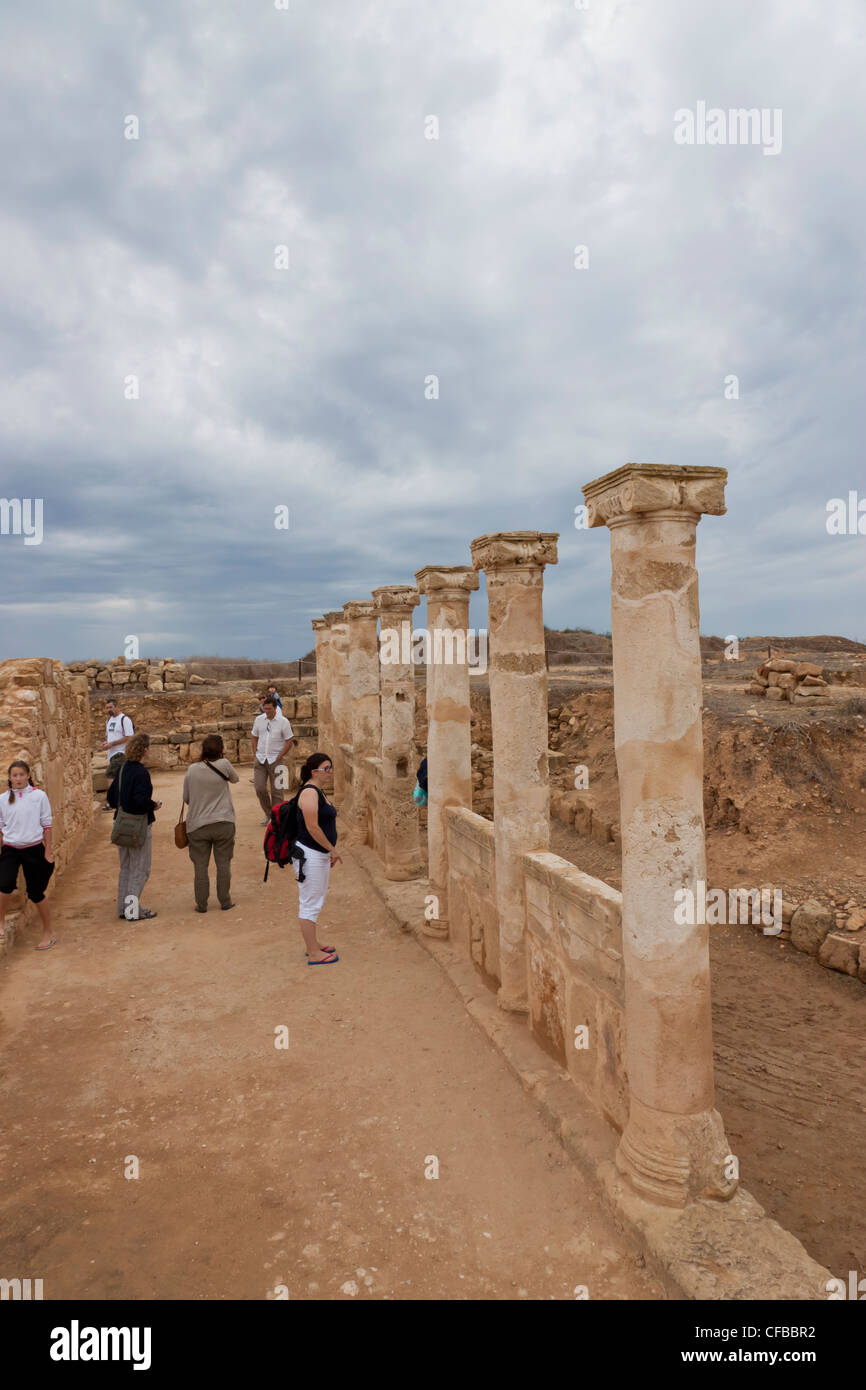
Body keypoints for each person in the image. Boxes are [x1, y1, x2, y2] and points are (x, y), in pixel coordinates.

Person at [0, 761, 56, 950]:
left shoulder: (39, 796)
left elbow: (47, 826)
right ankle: (0, 923)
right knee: (4, 884)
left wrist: (48, 851)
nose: (18, 779)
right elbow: (1, 829)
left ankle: (48, 931)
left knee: (36, 892)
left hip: (34, 849)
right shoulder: (3, 799)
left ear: (28, 775)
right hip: (10, 850)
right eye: (14, 775)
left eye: (21, 775)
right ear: (10, 778)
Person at [181, 734, 239, 913]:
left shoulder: (192, 770)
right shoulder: (225, 765)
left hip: (198, 825)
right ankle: (225, 901)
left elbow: (186, 798)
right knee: (223, 864)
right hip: (223, 821)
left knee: (200, 866)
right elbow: (235, 779)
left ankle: (202, 904)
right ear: (221, 750)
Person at [107, 733, 162, 921]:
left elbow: (112, 799)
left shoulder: (122, 770)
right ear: (144, 750)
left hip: (121, 823)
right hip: (138, 826)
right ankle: (132, 911)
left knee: (126, 867)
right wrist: (153, 805)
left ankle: (124, 908)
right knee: (140, 869)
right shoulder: (141, 773)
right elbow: (140, 800)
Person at [293, 753, 341, 964]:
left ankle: (314, 944)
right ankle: (313, 953)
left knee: (315, 900)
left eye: (331, 767)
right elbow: (312, 827)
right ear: (314, 772)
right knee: (310, 903)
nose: (330, 772)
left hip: (316, 854)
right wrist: (332, 849)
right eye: (326, 768)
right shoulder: (310, 793)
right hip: (309, 854)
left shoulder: (317, 792)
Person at [251, 697, 294, 825]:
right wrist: (255, 753)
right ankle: (268, 813)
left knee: (278, 791)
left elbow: (289, 741)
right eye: (265, 708)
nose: (267, 711)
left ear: (275, 708)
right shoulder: (258, 720)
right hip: (260, 759)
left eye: (269, 709)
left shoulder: (284, 722)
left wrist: (280, 756)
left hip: (276, 760)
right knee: (259, 788)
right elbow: (254, 737)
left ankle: (277, 818)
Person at [100, 699, 134, 810]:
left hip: (121, 753)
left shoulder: (124, 719)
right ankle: (121, 801)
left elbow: (128, 737)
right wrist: (106, 743)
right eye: (107, 708)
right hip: (112, 754)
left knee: (109, 775)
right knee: (118, 779)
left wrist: (112, 744)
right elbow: (109, 736)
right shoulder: (109, 720)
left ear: (116, 707)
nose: (109, 710)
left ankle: (111, 803)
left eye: (110, 707)